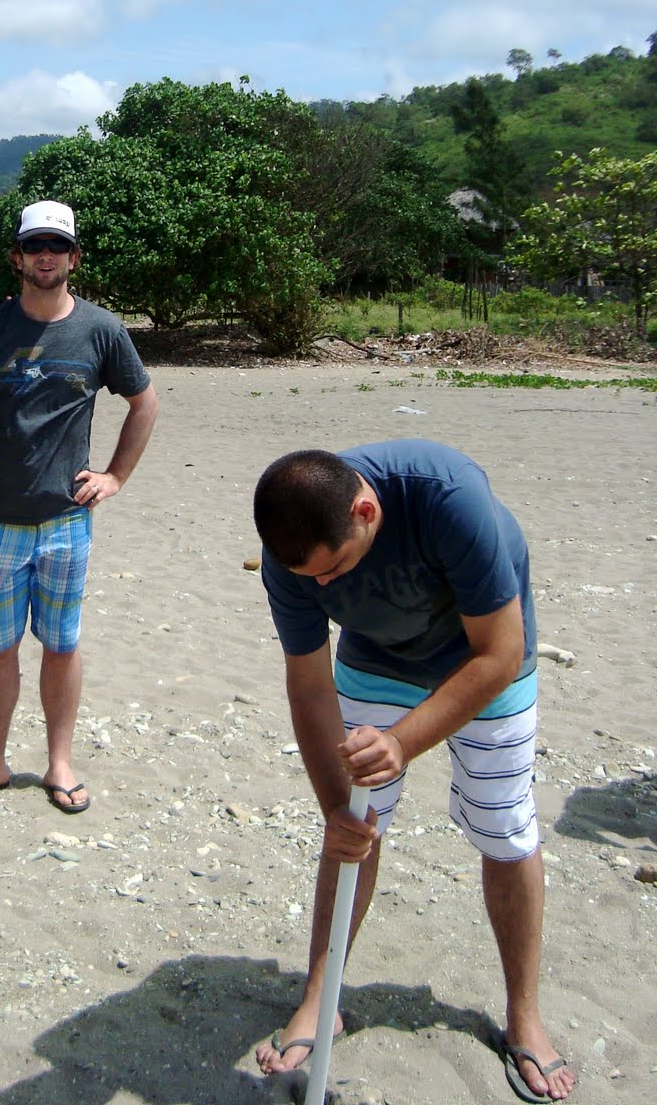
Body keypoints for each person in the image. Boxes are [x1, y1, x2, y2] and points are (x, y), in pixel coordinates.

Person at [251, 443, 575, 1103]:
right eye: (309, 578)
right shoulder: (295, 557)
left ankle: (524, 1018)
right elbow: (310, 689)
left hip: (484, 662)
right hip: (376, 660)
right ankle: (320, 998)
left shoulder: (448, 497)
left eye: (334, 570)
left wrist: (402, 742)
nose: (321, 588)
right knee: (356, 830)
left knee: (504, 828)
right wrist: (336, 811)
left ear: (367, 511)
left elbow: (501, 653)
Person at [0, 199, 157, 814]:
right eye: (36, 246)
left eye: (58, 245)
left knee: (61, 645)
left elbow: (145, 404)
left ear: (74, 257)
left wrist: (114, 476)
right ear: (18, 257)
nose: (46, 255)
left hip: (65, 522)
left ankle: (59, 765)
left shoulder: (101, 331)